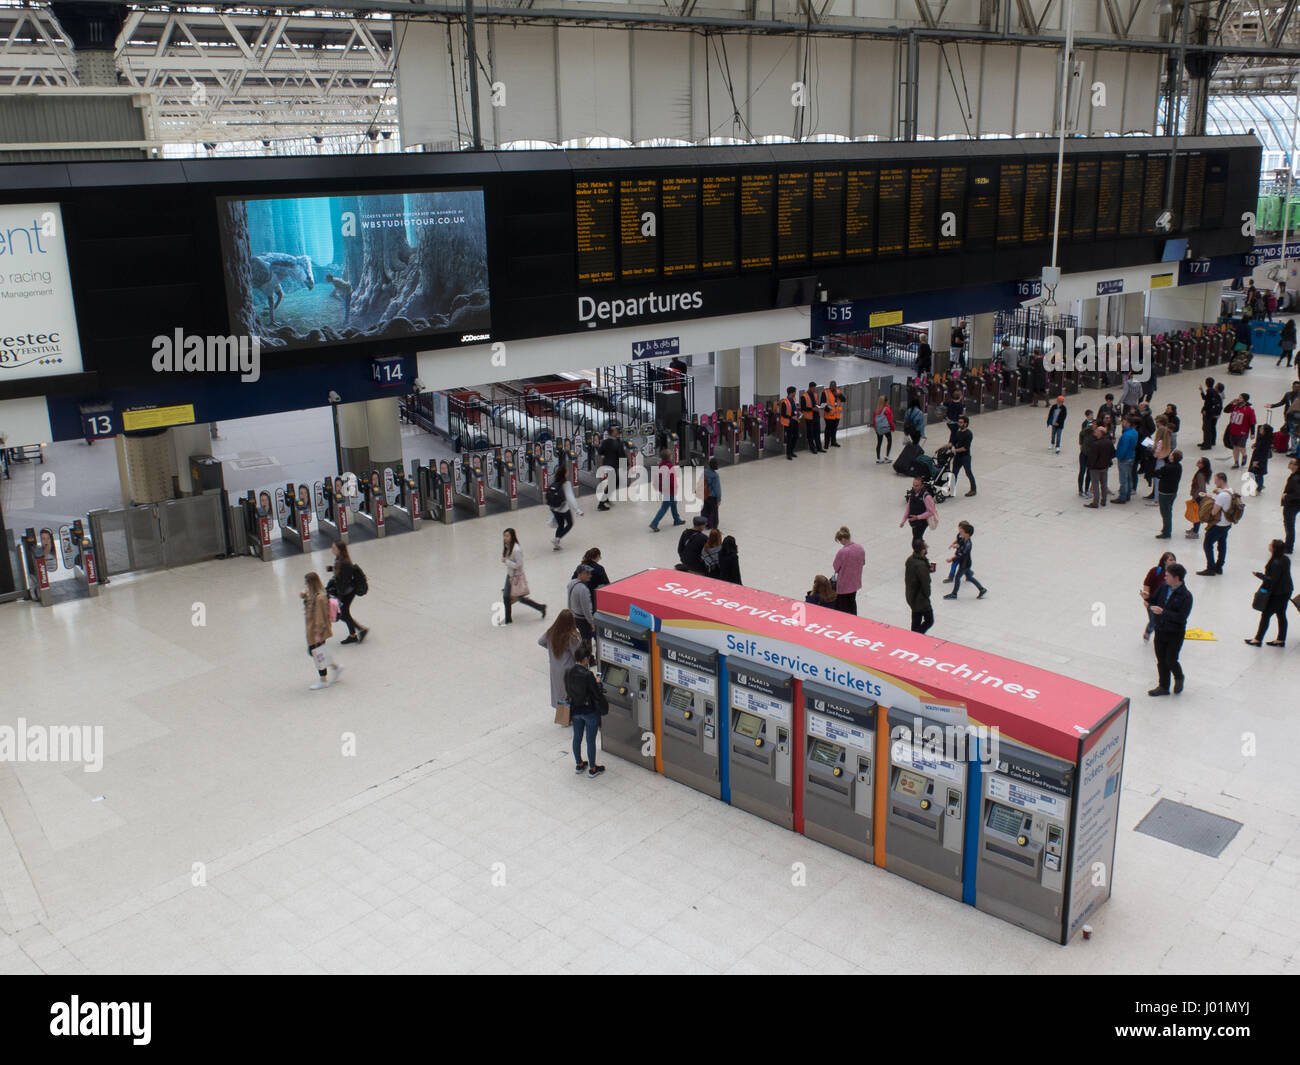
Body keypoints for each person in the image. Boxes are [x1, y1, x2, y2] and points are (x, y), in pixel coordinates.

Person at [1148, 563, 1192, 697]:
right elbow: (1154, 600)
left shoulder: (1186, 596)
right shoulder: (1163, 587)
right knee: (1161, 659)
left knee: (1171, 659)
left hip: (1175, 633)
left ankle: (1179, 676)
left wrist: (1163, 612)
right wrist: (1147, 598)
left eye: (1167, 576)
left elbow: (1181, 617)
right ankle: (1163, 686)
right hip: (1161, 629)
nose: (1165, 578)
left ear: (1176, 578)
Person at [565, 645, 607, 777]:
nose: (589, 660)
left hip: (575, 710)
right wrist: (598, 682)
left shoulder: (568, 672)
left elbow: (568, 690)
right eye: (588, 658)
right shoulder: (588, 675)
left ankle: (579, 764)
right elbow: (596, 693)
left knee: (577, 737)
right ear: (584, 659)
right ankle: (593, 768)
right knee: (590, 740)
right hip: (589, 711)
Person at [1245, 540, 1293, 647]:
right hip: (1286, 590)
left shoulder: (1276, 562)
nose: (1269, 546)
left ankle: (1258, 639)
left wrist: (1259, 575)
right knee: (1281, 614)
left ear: (1274, 549)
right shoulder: (1285, 559)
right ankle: (1281, 639)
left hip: (1277, 593)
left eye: (1271, 545)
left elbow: (1272, 579)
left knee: (1266, 615)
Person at [301, 572, 342, 691]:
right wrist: (304, 595)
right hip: (313, 630)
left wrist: (318, 633)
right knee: (319, 653)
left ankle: (323, 680)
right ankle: (336, 667)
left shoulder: (319, 598)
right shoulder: (315, 594)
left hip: (316, 632)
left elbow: (319, 617)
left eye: (307, 583)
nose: (305, 585)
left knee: (317, 654)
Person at [538, 609, 583, 713]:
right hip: (569, 669)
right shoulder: (571, 636)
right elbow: (577, 654)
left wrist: (550, 649)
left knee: (560, 692)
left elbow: (540, 641)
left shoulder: (551, 632)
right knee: (570, 693)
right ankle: (570, 715)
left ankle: (563, 716)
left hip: (555, 667)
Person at [325, 541, 368, 644]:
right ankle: (355, 633)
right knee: (344, 613)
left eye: (334, 548)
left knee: (343, 613)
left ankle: (360, 630)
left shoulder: (344, 563)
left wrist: (339, 597)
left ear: (340, 549)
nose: (332, 550)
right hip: (345, 590)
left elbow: (344, 580)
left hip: (347, 592)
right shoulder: (340, 560)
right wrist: (332, 568)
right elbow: (340, 573)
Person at [501, 527, 546, 623]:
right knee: (506, 596)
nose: (505, 538)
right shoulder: (507, 545)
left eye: (507, 536)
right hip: (510, 575)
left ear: (512, 537)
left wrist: (507, 561)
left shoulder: (516, 550)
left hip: (517, 577)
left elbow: (519, 565)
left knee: (521, 599)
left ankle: (541, 607)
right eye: (504, 536)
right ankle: (508, 619)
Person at [1197, 471, 1234, 575]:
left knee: (1207, 544)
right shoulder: (1230, 491)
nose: (1215, 483)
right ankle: (1219, 566)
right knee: (1222, 545)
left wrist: (1213, 499)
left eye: (1216, 481)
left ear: (1221, 480)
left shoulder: (1222, 496)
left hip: (1218, 524)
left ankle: (1210, 568)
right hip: (1227, 524)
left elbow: (1214, 512)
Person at [942, 521, 987, 600]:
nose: (960, 533)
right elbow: (960, 545)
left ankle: (954, 594)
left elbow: (961, 554)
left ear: (967, 534)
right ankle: (982, 589)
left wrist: (952, 559)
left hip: (964, 564)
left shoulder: (968, 544)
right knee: (969, 577)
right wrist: (957, 545)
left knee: (957, 578)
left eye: (962, 532)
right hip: (965, 563)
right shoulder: (964, 540)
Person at [1140, 551, 1177, 642]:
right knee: (1154, 621)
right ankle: (1148, 632)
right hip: (1154, 602)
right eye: (1170, 560)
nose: (1173, 562)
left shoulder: (1176, 573)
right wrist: (1146, 599)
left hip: (1167, 603)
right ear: (1164, 561)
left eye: (1174, 560)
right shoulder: (1155, 571)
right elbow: (1147, 584)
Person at [832, 526, 866, 615]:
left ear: (843, 539)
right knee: (852, 601)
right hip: (855, 582)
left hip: (844, 583)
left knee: (843, 605)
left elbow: (836, 567)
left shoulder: (842, 552)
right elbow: (863, 562)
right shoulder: (860, 548)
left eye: (840, 541)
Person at [648, 449, 683, 531]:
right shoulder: (670, 467)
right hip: (669, 490)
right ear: (669, 458)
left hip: (664, 488)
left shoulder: (660, 465)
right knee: (664, 507)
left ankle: (677, 520)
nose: (672, 457)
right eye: (671, 456)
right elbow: (672, 479)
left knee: (674, 503)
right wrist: (675, 487)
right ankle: (654, 523)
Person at [905, 538, 935, 634]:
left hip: (911, 595)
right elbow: (925, 583)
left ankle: (914, 636)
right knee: (929, 620)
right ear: (923, 550)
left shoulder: (910, 559)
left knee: (916, 620)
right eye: (926, 547)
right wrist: (927, 595)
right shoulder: (921, 565)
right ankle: (916, 637)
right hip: (920, 599)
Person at [549, 454, 579, 549]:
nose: (568, 473)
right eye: (567, 471)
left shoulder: (554, 482)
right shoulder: (566, 483)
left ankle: (557, 544)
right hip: (563, 508)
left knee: (561, 524)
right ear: (564, 473)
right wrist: (577, 510)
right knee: (570, 524)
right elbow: (570, 498)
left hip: (553, 507)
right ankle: (557, 539)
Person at [1084, 423, 1115, 508]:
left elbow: (1092, 458)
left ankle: (1095, 502)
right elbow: (1113, 454)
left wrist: (1090, 466)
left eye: (1097, 431)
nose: (1095, 432)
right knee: (1104, 484)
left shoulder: (1096, 444)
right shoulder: (1109, 442)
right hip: (1105, 467)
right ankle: (1104, 501)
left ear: (1101, 433)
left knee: (1095, 485)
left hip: (1095, 468)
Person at [1154, 449, 1183, 539]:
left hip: (1165, 492)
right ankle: (1166, 529)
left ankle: (1166, 532)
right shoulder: (1178, 466)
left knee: (1165, 513)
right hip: (1172, 492)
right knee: (1168, 511)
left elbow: (1157, 473)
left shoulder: (1167, 467)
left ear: (1173, 457)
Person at [900, 477, 938, 541]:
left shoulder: (927, 497)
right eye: (913, 485)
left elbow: (931, 512)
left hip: (922, 522)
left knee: (916, 540)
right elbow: (908, 508)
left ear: (922, 486)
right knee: (917, 539)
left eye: (917, 486)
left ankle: (922, 549)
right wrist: (903, 521)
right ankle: (923, 549)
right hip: (913, 522)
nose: (914, 487)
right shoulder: (912, 494)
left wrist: (918, 517)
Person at [596, 427, 625, 510]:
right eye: (615, 430)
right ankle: (601, 504)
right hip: (612, 465)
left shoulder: (605, 442)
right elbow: (621, 454)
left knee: (614, 482)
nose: (616, 431)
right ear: (612, 433)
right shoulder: (616, 442)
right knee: (614, 483)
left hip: (606, 465)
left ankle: (606, 498)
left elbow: (600, 451)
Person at [948, 416, 976, 497]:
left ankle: (973, 489)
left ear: (965, 424)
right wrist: (941, 448)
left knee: (968, 473)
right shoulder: (958, 432)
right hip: (958, 457)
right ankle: (951, 491)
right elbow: (952, 443)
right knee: (954, 474)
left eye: (961, 422)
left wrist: (953, 451)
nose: (959, 424)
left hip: (965, 457)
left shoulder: (969, 434)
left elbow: (965, 448)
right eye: (958, 422)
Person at [566, 564, 596, 643]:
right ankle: (587, 655)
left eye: (590, 573)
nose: (590, 575)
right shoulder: (583, 589)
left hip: (574, 617)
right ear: (580, 574)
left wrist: (571, 615)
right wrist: (592, 622)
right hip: (583, 620)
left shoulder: (571, 583)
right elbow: (586, 609)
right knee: (586, 642)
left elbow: (569, 600)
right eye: (587, 573)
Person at [1225, 394, 1255, 470]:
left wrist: (1252, 433)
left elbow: (1252, 421)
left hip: (1243, 431)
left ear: (1244, 399)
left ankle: (1244, 455)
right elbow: (1226, 410)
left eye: (1240, 397)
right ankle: (1236, 462)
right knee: (1235, 447)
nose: (1238, 398)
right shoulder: (1235, 406)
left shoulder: (1249, 409)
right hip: (1233, 430)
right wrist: (1231, 402)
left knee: (1241, 446)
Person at [1113, 416, 1138, 504]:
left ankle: (1122, 497)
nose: (1122, 424)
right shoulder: (1134, 432)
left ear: (1128, 423)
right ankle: (1128, 495)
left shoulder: (1126, 435)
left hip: (1125, 458)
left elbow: (1123, 449)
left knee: (1123, 479)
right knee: (1129, 477)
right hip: (1131, 456)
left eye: (1124, 422)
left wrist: (1118, 456)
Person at [1185, 457, 1211, 538]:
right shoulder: (1201, 473)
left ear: (1203, 465)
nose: (1197, 462)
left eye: (1199, 462)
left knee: (1196, 514)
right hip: (1199, 496)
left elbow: (1201, 488)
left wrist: (1195, 497)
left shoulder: (1200, 475)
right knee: (1195, 513)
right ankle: (1194, 529)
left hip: (1199, 497)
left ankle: (1195, 532)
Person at [1199, 377, 1222, 450]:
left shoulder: (1210, 391)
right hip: (1214, 412)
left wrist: (1205, 410)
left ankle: (1207, 444)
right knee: (1212, 427)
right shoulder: (1215, 392)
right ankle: (1211, 441)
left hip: (1209, 412)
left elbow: (1207, 401)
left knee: (1206, 428)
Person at [1283, 455, 1300, 554]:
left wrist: (1286, 496)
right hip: (1293, 504)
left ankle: (1289, 547)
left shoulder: (1295, 478)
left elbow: (1298, 493)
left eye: (1292, 463)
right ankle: (1288, 544)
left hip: (1292, 505)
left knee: (1289, 525)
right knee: (1289, 525)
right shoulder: (1294, 476)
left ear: (1297, 466)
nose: (1289, 464)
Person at [801, 381, 824, 454]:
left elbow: (817, 404)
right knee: (810, 434)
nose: (814, 389)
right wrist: (812, 409)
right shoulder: (804, 396)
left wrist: (820, 406)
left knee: (817, 432)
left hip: (816, 416)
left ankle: (819, 447)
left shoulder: (816, 395)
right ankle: (812, 448)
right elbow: (803, 408)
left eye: (815, 388)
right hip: (809, 418)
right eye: (813, 388)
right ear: (810, 387)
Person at [1249, 423, 1273, 491]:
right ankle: (1259, 485)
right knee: (1257, 473)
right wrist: (1255, 445)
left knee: (1258, 474)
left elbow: (1261, 452)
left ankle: (1258, 488)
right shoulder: (1262, 438)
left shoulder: (1265, 441)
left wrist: (1256, 461)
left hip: (1259, 459)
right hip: (1258, 458)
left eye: (1262, 428)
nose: (1260, 429)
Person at [1077, 410, 1095, 497]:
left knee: (1089, 473)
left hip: (1091, 455)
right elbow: (1081, 434)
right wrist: (1081, 443)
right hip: (1084, 453)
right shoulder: (1087, 429)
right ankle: (1080, 490)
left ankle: (1087, 489)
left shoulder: (1098, 433)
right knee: (1082, 471)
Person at [779, 386, 800, 460]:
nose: (795, 393)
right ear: (792, 392)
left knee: (796, 436)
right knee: (789, 438)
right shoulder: (784, 402)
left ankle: (792, 450)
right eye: (795, 392)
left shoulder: (793, 400)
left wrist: (798, 413)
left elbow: (794, 409)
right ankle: (788, 453)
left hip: (795, 421)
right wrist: (791, 417)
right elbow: (783, 414)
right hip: (789, 423)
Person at [872, 395, 895, 463]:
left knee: (879, 443)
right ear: (886, 401)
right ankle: (887, 456)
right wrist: (892, 428)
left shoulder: (877, 410)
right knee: (889, 441)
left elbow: (874, 420)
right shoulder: (887, 409)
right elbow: (890, 420)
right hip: (886, 428)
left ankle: (878, 458)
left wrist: (876, 428)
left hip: (878, 429)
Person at [701, 457, 722, 530]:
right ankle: (715, 527)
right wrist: (719, 499)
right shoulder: (715, 475)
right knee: (714, 512)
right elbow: (717, 489)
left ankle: (704, 524)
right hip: (712, 497)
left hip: (705, 495)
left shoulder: (704, 472)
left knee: (705, 511)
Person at [821, 381, 844, 448]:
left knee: (834, 429)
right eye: (832, 385)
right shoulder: (825, 392)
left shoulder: (838, 392)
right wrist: (828, 410)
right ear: (830, 386)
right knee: (828, 430)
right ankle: (826, 444)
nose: (833, 387)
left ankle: (833, 442)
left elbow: (844, 399)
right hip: (829, 416)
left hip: (836, 415)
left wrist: (839, 395)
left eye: (834, 386)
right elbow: (822, 404)